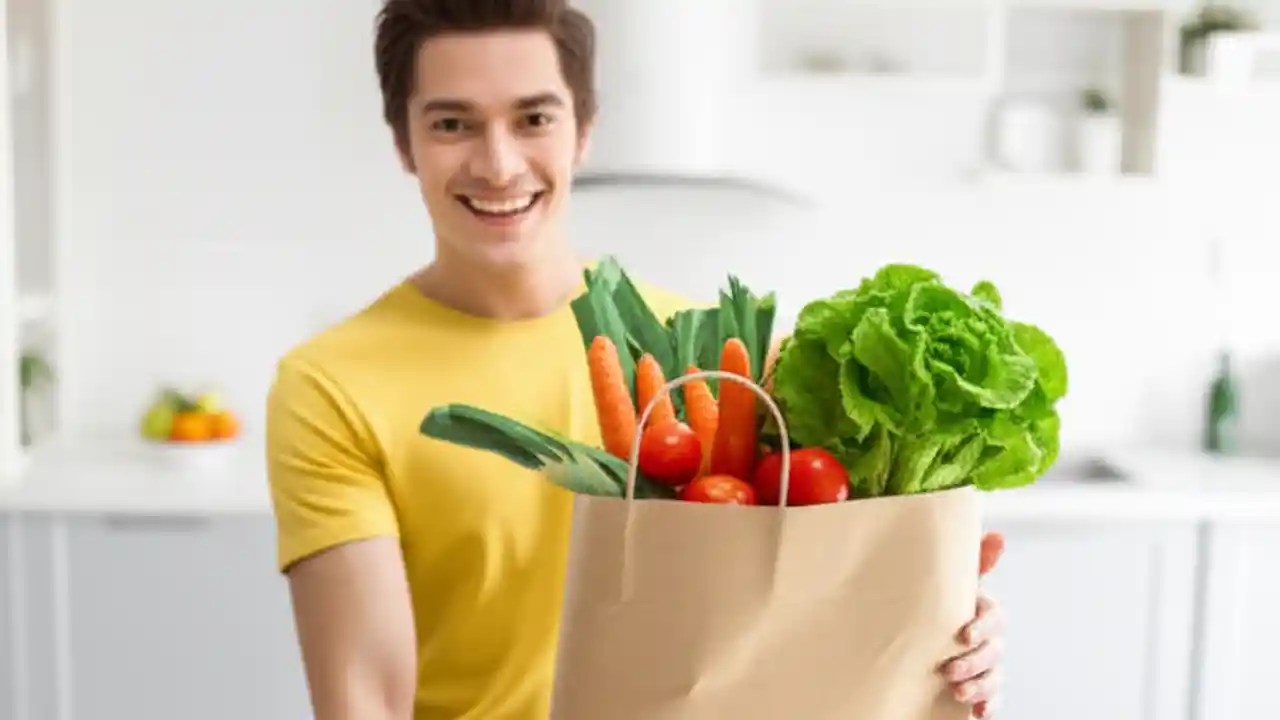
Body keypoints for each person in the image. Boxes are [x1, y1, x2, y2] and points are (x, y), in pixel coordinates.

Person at [265, 1, 1007, 718]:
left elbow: (829, 620)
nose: (497, 163)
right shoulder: (334, 385)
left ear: (583, 131)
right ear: (405, 144)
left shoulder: (731, 361)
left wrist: (950, 650)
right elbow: (367, 701)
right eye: (453, 123)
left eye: (534, 119)